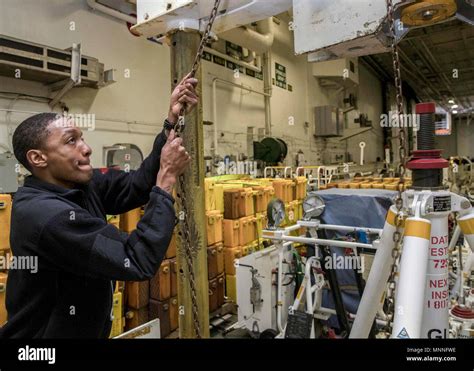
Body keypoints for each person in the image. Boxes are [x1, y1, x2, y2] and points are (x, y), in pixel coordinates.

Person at [0, 74, 198, 338]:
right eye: (71, 141)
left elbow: (135, 185)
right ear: (38, 158)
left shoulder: (78, 185)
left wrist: (171, 121)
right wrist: (166, 182)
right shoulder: (47, 216)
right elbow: (136, 259)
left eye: (82, 138)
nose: (86, 148)